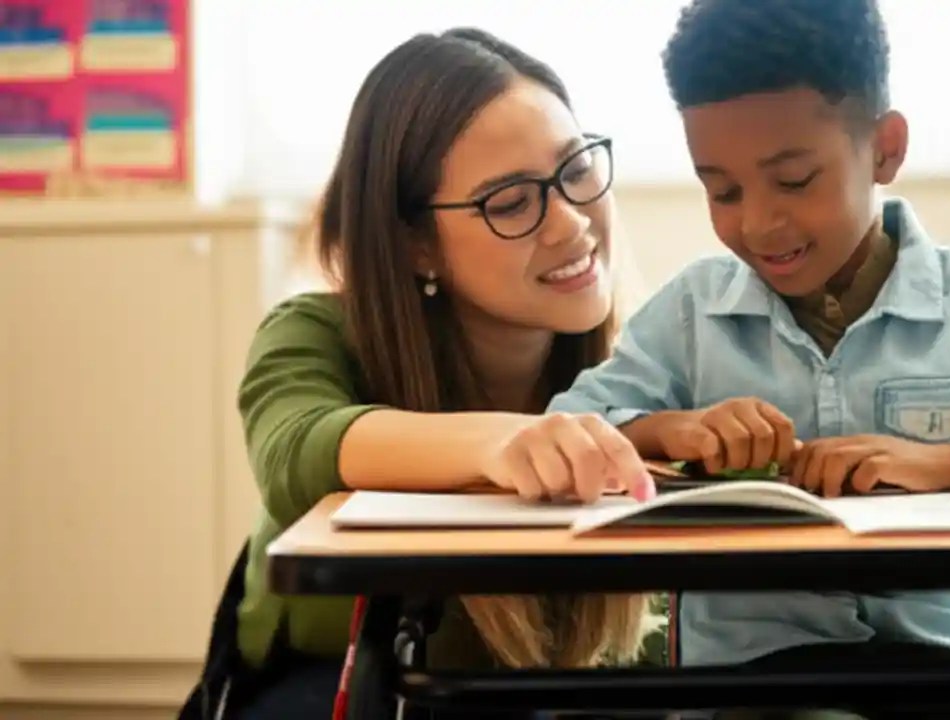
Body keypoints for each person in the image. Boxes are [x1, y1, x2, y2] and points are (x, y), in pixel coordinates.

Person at [546, 1, 950, 718]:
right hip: (761, 683)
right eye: (722, 190)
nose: (759, 222)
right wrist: (670, 430)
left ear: (885, 148)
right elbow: (564, 428)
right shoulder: (689, 313)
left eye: (794, 180)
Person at [188, 29, 666, 719]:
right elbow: (296, 451)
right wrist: (503, 446)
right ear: (416, 245)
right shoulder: (315, 335)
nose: (570, 223)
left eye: (578, 169)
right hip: (335, 687)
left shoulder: (651, 357)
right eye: (510, 202)